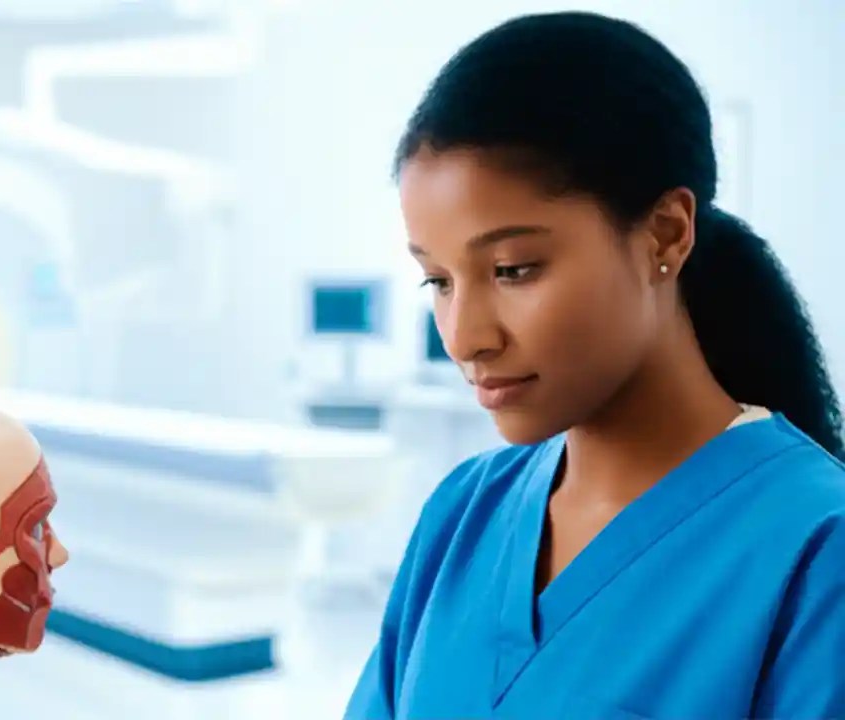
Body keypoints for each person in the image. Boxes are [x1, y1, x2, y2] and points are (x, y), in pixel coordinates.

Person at [344, 11, 845, 720]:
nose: (465, 338)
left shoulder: (816, 550)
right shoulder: (463, 516)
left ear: (665, 234)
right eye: (439, 281)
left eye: (514, 269)